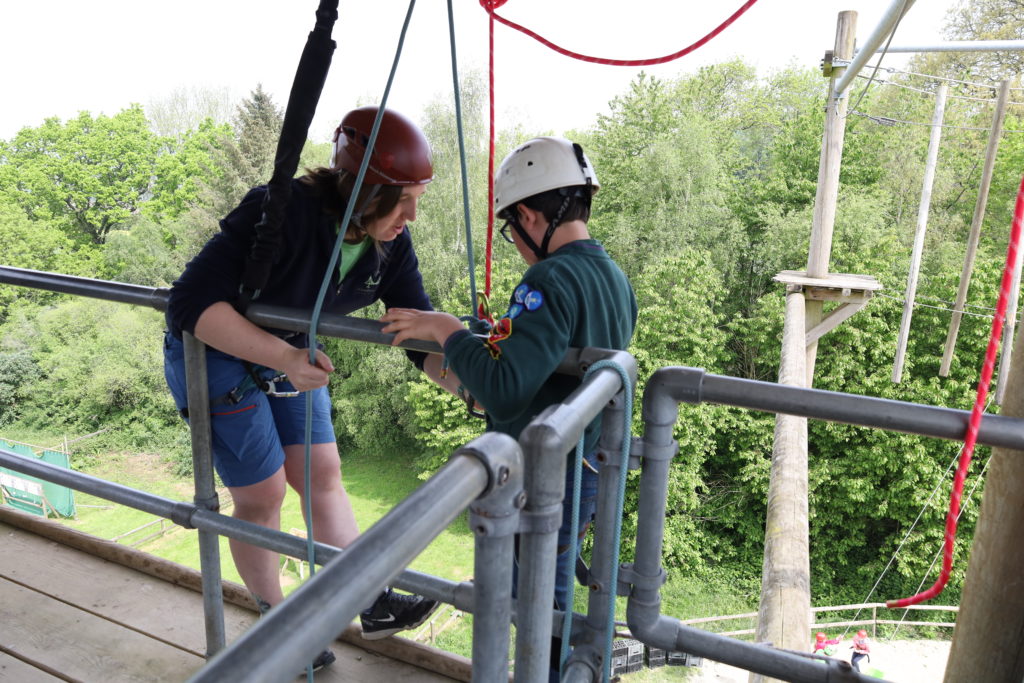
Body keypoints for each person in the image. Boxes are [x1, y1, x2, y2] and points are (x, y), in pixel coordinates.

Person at [163, 105, 447, 671]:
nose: (411, 216)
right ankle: (276, 622)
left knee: (321, 474)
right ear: (366, 190)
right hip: (218, 352)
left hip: (291, 355)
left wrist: (470, 384)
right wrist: (285, 356)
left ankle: (370, 599)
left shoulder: (388, 243)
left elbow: (415, 330)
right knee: (262, 494)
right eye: (404, 200)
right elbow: (190, 303)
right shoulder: (281, 212)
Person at [381, 136, 637, 681]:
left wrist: (448, 330)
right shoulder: (613, 278)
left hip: (544, 476)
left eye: (511, 229)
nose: (515, 243)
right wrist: (462, 349)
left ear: (526, 214)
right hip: (584, 465)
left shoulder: (549, 278)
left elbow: (504, 387)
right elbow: (541, 365)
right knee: (547, 587)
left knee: (538, 598)